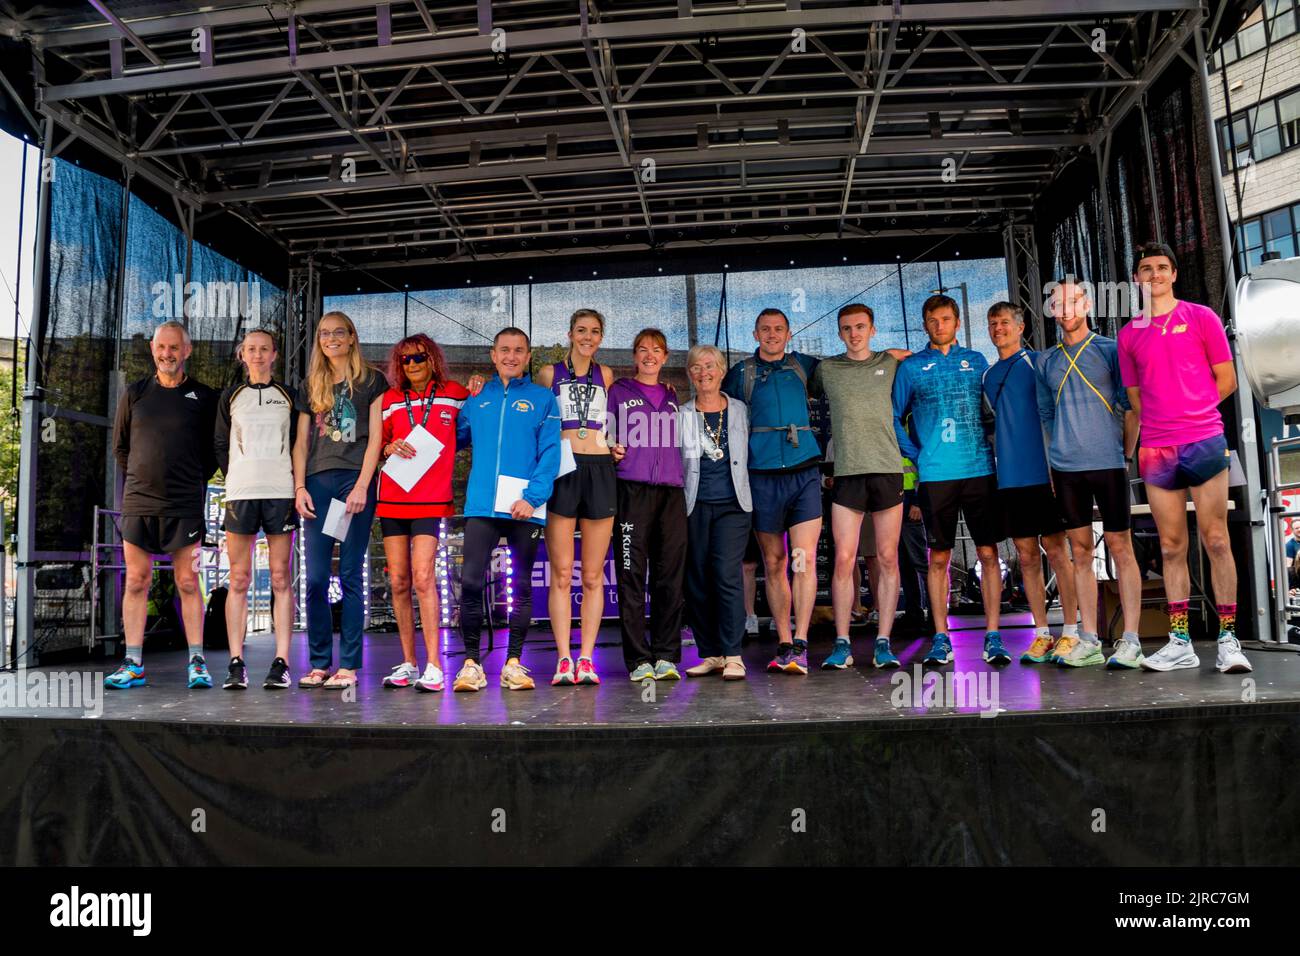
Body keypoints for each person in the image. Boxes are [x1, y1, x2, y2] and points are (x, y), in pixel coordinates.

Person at [1119, 243, 1251, 673]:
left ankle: (1229, 640)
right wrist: (1152, 432)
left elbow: (1227, 378)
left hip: (1204, 440)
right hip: (1157, 448)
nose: (1154, 274)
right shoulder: (1129, 334)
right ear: (1137, 279)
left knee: (1216, 539)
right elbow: (1135, 400)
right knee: (1172, 546)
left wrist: (1192, 413)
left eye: (1161, 267)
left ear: (1173, 274)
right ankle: (1181, 641)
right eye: (1145, 269)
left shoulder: (1201, 317)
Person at [892, 294, 1009, 666]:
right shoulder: (911, 368)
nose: (939, 325)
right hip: (936, 475)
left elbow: (996, 414)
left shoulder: (976, 363)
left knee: (988, 553)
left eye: (945, 319)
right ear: (924, 325)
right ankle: (940, 637)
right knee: (938, 556)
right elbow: (892, 417)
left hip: (978, 469)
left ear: (957, 323)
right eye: (932, 320)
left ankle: (994, 636)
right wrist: (916, 452)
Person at [1035, 280, 1144, 668]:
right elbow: (1046, 415)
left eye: (1071, 301)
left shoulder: (1111, 350)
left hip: (1109, 464)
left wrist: (1125, 456)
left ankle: (1130, 640)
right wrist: (1053, 462)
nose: (1064, 309)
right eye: (1057, 303)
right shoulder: (1045, 361)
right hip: (1066, 469)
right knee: (1080, 552)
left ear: (1086, 304)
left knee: (1121, 549)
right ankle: (1089, 640)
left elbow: (1132, 407)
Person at [105, 320, 219, 690]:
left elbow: (214, 452)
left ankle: (197, 661)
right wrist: (143, 477)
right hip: (138, 503)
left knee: (187, 581)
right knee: (137, 580)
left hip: (184, 503)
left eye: (174, 348)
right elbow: (121, 447)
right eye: (161, 348)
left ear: (187, 351)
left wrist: (188, 478)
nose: (167, 354)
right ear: (153, 350)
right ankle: (133, 663)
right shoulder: (135, 393)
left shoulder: (204, 397)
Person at [454, 327, 561, 692]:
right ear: (493, 355)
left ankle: (513, 663)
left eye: (518, 350)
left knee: (522, 587)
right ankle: (471, 664)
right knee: (470, 583)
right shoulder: (477, 397)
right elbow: (454, 437)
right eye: (504, 350)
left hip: (524, 507)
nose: (511, 356)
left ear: (528, 357)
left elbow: (550, 453)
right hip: (482, 504)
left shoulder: (543, 399)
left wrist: (532, 497)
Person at [721, 308, 821, 675]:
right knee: (774, 563)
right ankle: (783, 640)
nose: (772, 334)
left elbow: (848, 372)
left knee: (802, 558)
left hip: (803, 473)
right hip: (761, 476)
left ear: (789, 333)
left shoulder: (805, 366)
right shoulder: (743, 373)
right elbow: (718, 411)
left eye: (778, 329)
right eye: (765, 329)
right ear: (755, 333)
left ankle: (802, 640)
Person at [291, 311, 386, 690]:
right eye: (324, 333)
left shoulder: (371, 380)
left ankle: (347, 665)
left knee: (349, 574)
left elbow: (376, 438)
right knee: (314, 579)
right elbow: (300, 443)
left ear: (351, 337)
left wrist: (363, 485)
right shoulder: (310, 384)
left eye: (338, 333)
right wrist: (299, 487)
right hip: (316, 484)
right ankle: (319, 664)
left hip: (352, 483)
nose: (331, 338)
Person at [982, 303, 1080, 664]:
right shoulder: (988, 376)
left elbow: (1055, 415)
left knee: (1057, 551)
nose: (998, 328)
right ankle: (1041, 633)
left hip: (1046, 474)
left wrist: (1059, 467)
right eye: (993, 324)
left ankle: (1070, 631)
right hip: (1010, 477)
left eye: (1005, 322)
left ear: (1021, 327)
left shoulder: (1039, 363)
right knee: (1025, 556)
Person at [810, 304, 907, 670]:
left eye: (860, 327)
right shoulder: (828, 369)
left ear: (873, 329)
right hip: (848, 473)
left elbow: (913, 356)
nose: (854, 333)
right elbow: (808, 382)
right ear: (839, 333)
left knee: (887, 558)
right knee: (844, 559)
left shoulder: (891, 363)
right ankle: (842, 643)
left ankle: (883, 641)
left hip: (886, 470)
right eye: (847, 328)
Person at [375, 334, 469, 692]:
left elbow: (479, 420)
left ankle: (434, 664)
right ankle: (409, 663)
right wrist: (388, 445)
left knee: (423, 577)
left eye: (418, 357)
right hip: (393, 498)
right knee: (398, 581)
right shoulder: (390, 399)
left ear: (433, 359)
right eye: (404, 360)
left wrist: (478, 388)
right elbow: (379, 444)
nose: (411, 365)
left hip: (431, 499)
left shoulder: (455, 393)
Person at [535, 309, 617, 686]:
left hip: (599, 469)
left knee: (594, 574)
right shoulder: (549, 374)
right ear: (570, 334)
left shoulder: (606, 375)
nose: (588, 337)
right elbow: (539, 424)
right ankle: (563, 659)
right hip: (563, 471)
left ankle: (587, 657)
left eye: (594, 332)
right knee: (563, 573)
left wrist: (616, 446)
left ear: (601, 338)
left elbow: (609, 424)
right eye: (581, 330)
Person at [214, 329, 296, 690]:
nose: (258, 355)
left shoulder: (288, 395)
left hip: (280, 492)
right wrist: (238, 476)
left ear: (274, 354)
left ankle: (281, 661)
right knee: (240, 578)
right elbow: (220, 442)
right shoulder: (230, 396)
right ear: (241, 355)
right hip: (241, 493)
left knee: (280, 577)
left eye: (264, 349)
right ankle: (236, 662)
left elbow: (298, 443)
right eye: (251, 349)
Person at [608, 328, 687, 681]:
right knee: (632, 577)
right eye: (642, 350)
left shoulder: (673, 395)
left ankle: (667, 655)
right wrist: (610, 447)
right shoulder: (619, 392)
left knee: (669, 576)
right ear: (634, 356)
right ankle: (639, 659)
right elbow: (604, 435)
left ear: (666, 357)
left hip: (671, 493)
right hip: (632, 492)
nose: (649, 355)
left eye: (656, 350)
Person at [681, 345, 753, 680]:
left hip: (733, 505)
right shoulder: (681, 414)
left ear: (722, 370)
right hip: (694, 506)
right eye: (696, 367)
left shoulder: (740, 410)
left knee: (725, 574)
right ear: (690, 374)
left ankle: (734, 653)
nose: (703, 372)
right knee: (696, 580)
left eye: (710, 366)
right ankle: (711, 653)